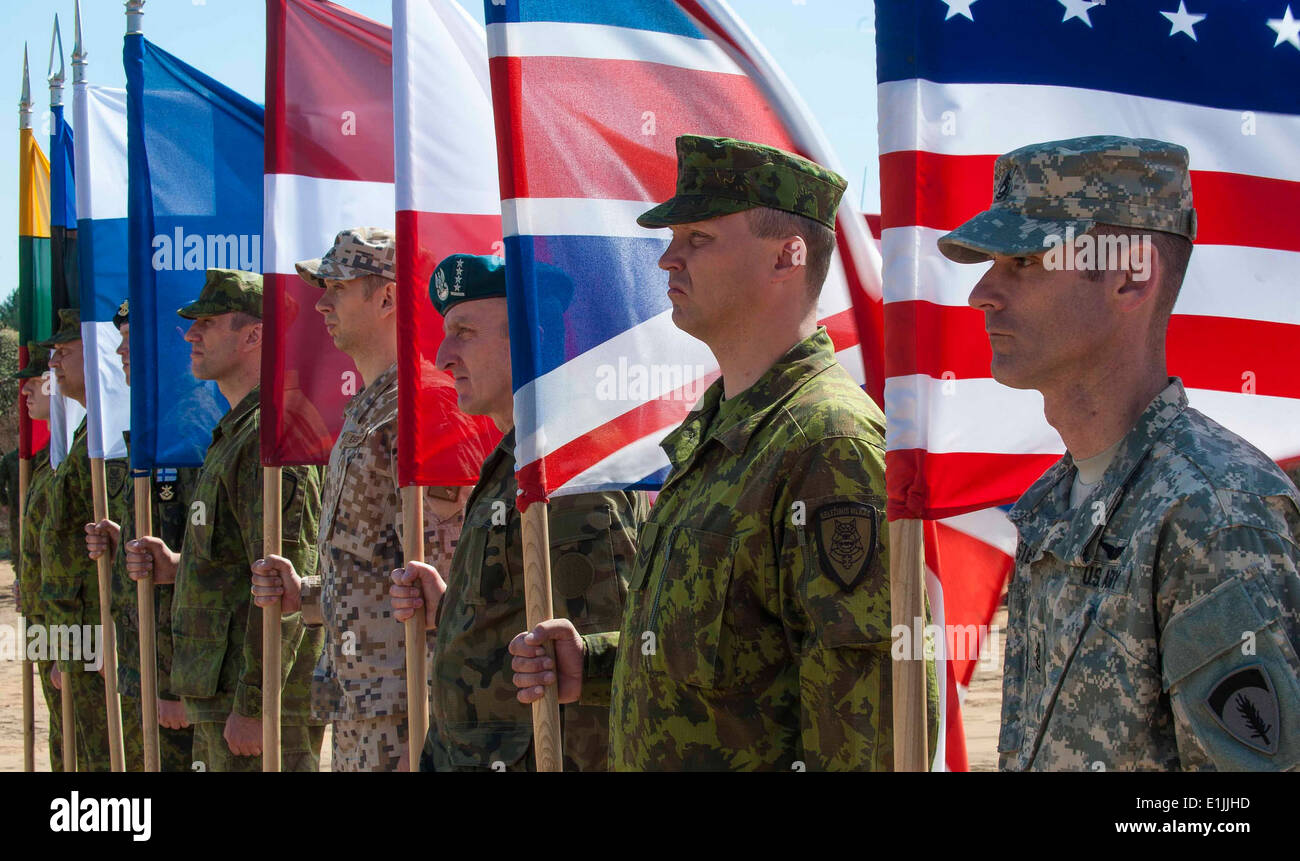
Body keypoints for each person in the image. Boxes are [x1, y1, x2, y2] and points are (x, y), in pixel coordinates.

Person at [507, 136, 934, 770]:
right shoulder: (723, 428)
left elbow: (871, 721)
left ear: (787, 256)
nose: (667, 261)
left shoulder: (829, 445)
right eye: (674, 239)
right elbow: (737, 652)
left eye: (698, 239)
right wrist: (595, 662)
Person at [939, 135, 1300, 771]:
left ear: (1131, 276)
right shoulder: (1054, 502)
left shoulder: (1212, 512)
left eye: (1023, 261)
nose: (982, 294)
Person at [388, 253, 648, 771]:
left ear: (531, 335)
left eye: (464, 332)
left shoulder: (566, 473)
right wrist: (454, 605)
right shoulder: (519, 457)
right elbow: (528, 613)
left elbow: (595, 679)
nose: (443, 355)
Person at [249, 228, 469, 771]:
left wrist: (426, 733)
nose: (321, 302)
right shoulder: (369, 410)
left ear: (388, 297)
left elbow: (447, 588)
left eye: (339, 287)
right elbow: (376, 570)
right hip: (359, 703)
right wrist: (305, 593)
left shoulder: (425, 409)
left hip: (408, 711)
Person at [124, 269, 326, 772]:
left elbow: (287, 584)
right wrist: (179, 565)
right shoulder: (236, 432)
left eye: (207, 323)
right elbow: (239, 561)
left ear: (254, 334)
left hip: (254, 702)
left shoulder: (271, 439)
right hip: (220, 692)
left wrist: (256, 705)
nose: (191, 334)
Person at [83, 299, 197, 770]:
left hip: (173, 682)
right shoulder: (152, 426)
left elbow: (206, 561)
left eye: (132, 339)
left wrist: (168, 683)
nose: (120, 351)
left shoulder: (189, 427)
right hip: (141, 668)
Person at [38, 308, 113, 771]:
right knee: (81, 755)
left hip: (98, 630)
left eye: (63, 351)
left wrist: (107, 636)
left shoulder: (113, 437)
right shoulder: (87, 431)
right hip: (75, 629)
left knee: (104, 758)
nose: (52, 364)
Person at [13, 345, 64, 769]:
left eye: (35, 380)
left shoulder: (84, 458)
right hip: (48, 630)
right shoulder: (49, 461)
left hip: (75, 638)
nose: (25, 390)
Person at [0, 446, 19, 558]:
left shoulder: (36, 457)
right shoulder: (9, 459)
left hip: (34, 506)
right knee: (16, 538)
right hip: (15, 506)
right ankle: (18, 570)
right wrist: (5, 502)